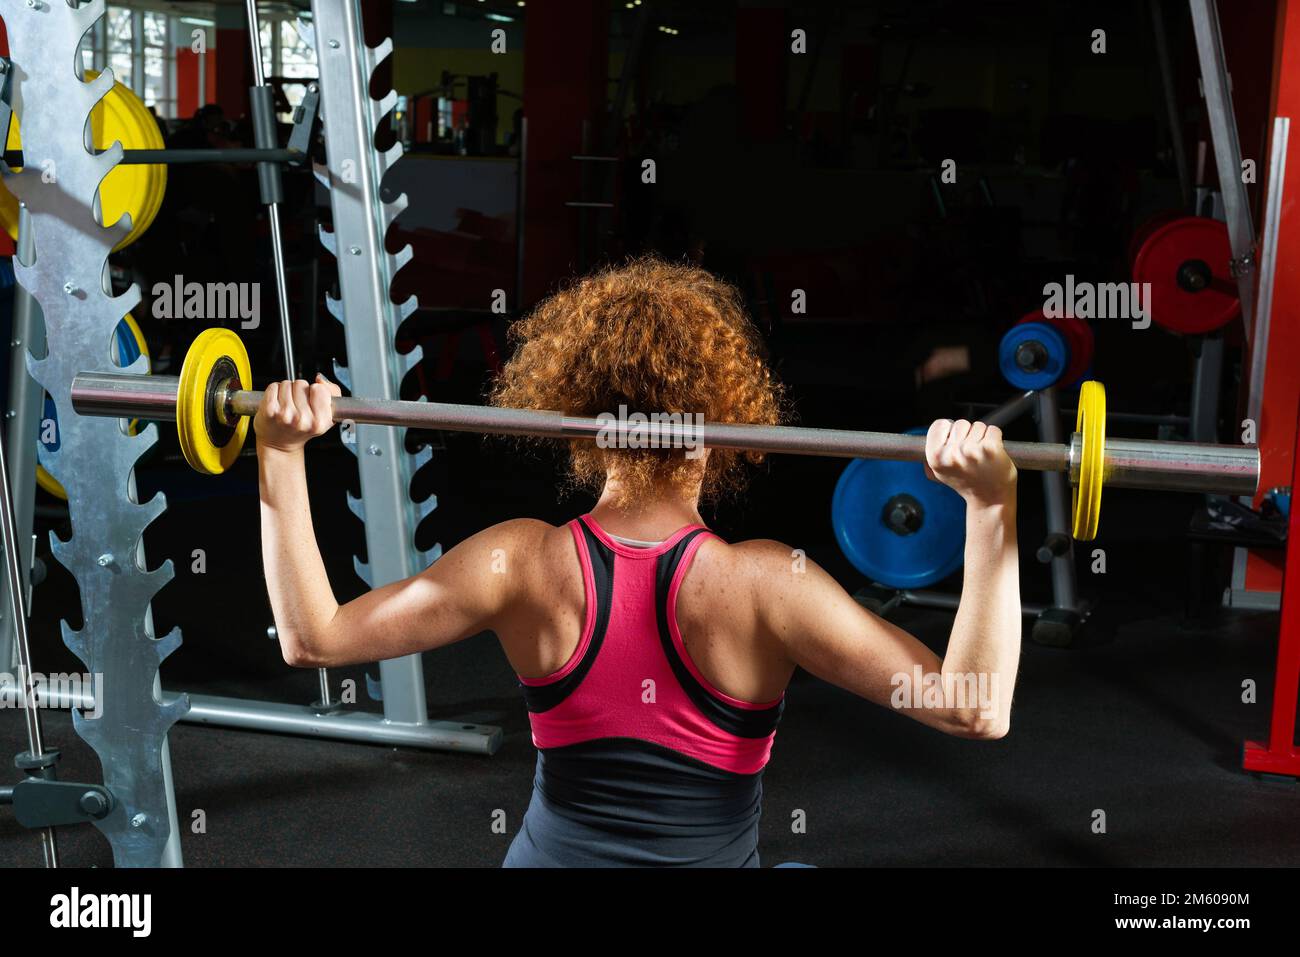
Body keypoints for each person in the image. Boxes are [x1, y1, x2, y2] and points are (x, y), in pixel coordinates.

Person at [255, 255, 1022, 867]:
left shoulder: (517, 561)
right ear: (720, 419)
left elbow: (313, 638)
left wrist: (279, 453)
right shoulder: (766, 585)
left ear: (582, 418)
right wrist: (991, 509)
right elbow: (974, 706)